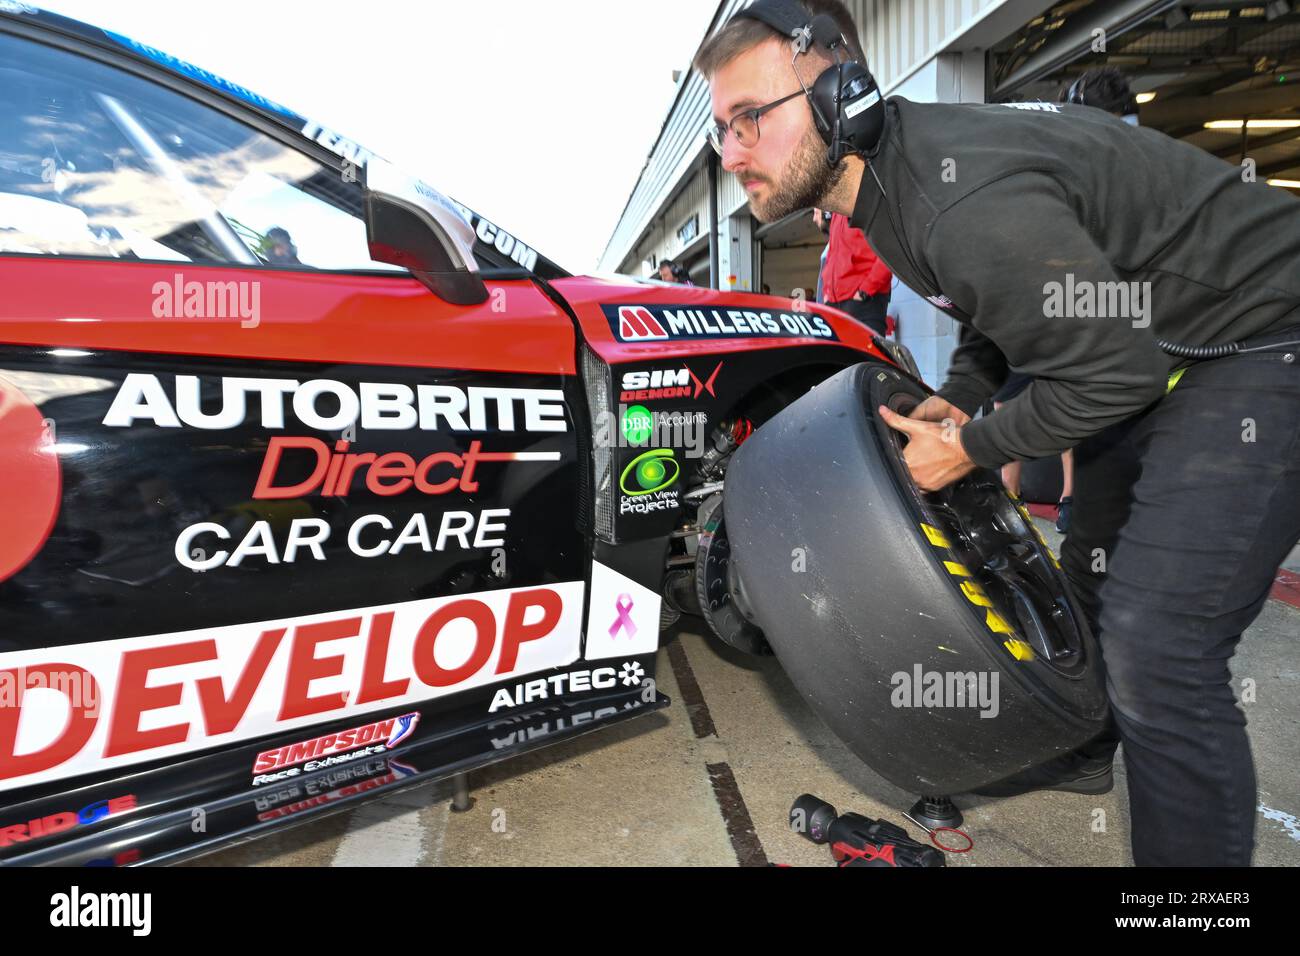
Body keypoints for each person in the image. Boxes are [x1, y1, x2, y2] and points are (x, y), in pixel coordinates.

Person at [696, 0, 1300, 866]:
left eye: (750, 117)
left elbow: (1115, 373)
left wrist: (976, 447)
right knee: (1088, 558)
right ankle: (1088, 749)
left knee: (1159, 647)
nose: (731, 152)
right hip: (1160, 341)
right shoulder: (888, 194)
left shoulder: (955, 195)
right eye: (722, 129)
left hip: (1267, 336)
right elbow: (997, 306)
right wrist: (963, 395)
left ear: (840, 95)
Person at [820, 207, 892, 334]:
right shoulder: (837, 213)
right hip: (835, 304)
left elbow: (889, 252)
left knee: (867, 353)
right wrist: (827, 293)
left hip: (865, 302)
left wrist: (865, 291)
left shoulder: (871, 205)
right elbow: (832, 253)